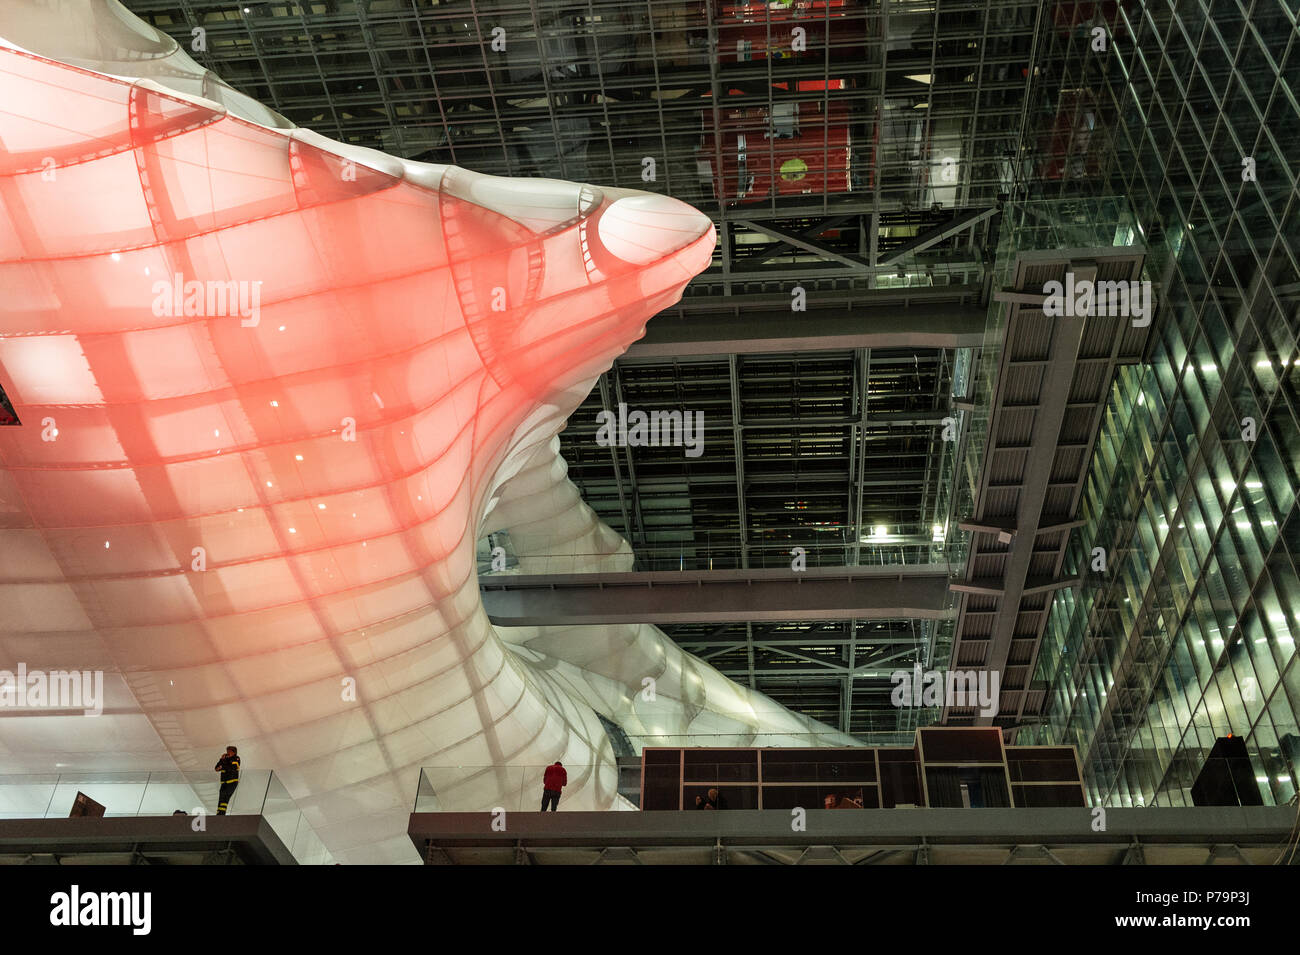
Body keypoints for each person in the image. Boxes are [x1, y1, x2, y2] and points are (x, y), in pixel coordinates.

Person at [214, 745, 240, 815]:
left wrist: (223, 765)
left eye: (229, 751)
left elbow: (232, 768)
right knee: (221, 799)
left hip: (232, 783)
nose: (227, 752)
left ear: (234, 752)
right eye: (227, 751)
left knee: (225, 798)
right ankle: (219, 814)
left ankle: (221, 814)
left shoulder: (236, 758)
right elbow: (216, 768)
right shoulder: (224, 759)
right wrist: (222, 759)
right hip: (224, 783)